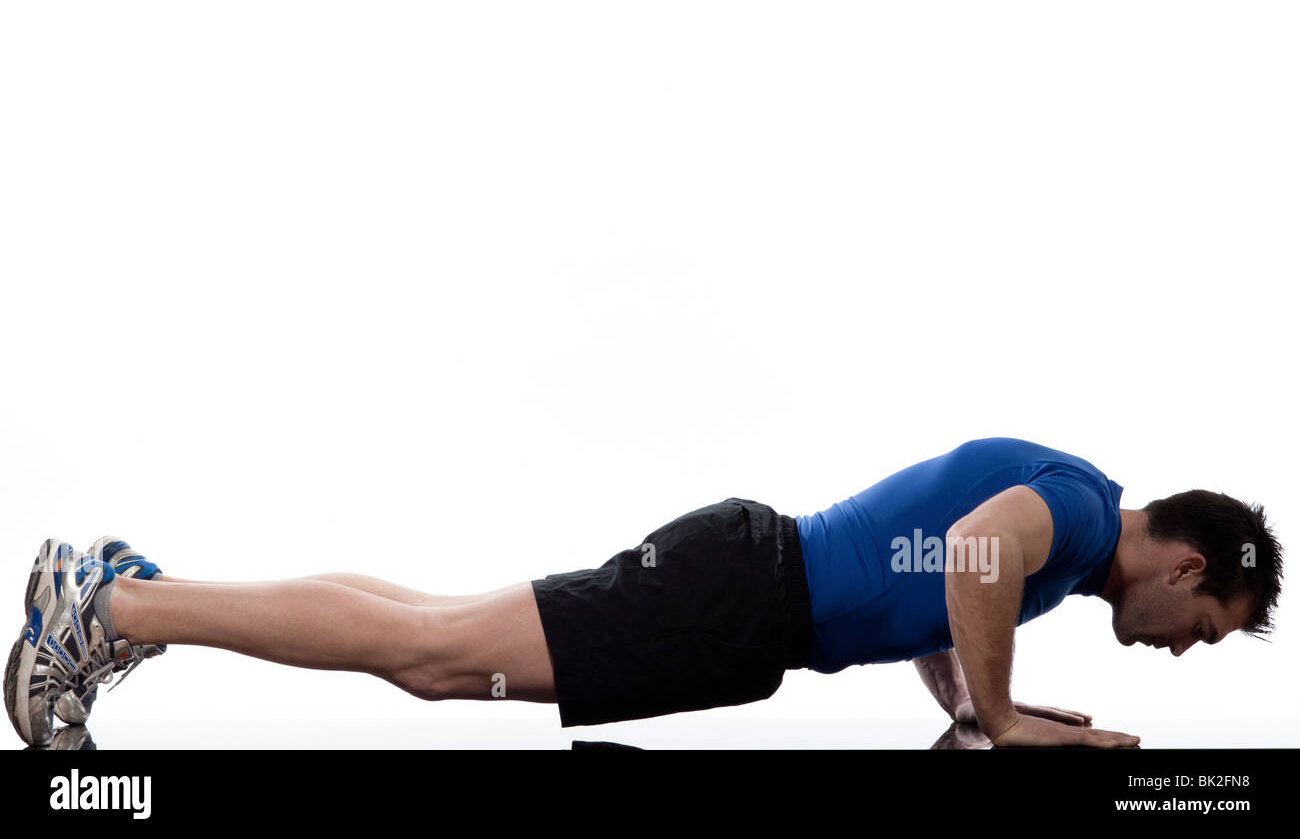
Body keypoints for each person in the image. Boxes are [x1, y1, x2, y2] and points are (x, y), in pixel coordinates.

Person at [6, 437, 1282, 748]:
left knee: (433, 631)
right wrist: (1003, 721)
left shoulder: (1056, 564)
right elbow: (966, 563)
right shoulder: (1069, 510)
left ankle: (134, 593)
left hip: (743, 599)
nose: (1182, 649)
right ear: (1188, 567)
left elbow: (939, 596)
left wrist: (962, 709)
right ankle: (112, 615)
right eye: (1205, 629)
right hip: (740, 592)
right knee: (432, 657)